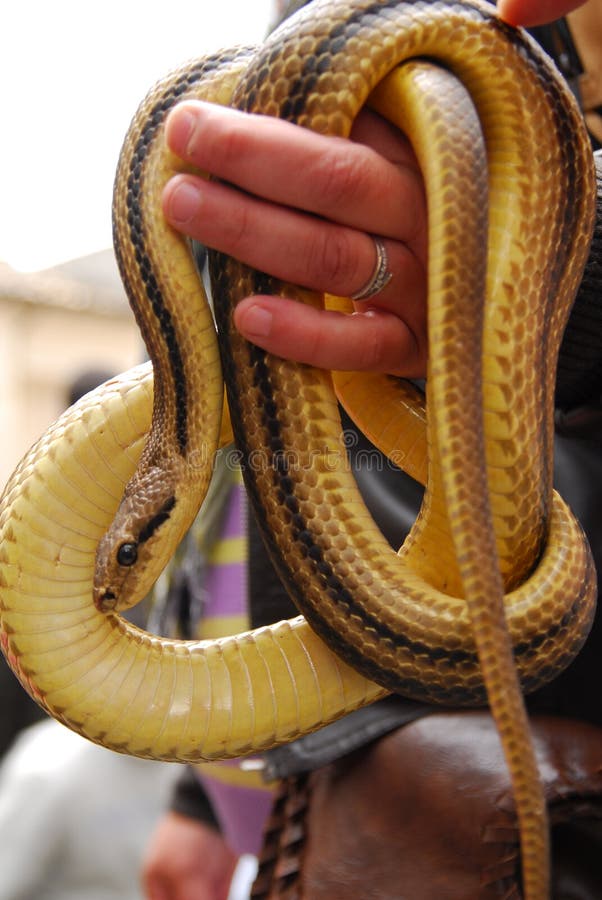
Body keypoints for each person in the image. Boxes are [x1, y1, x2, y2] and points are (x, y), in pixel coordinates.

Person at [143, 0, 602, 897]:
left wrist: (551, 280)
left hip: (530, 730)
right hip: (321, 752)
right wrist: (202, 800)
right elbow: (241, 462)